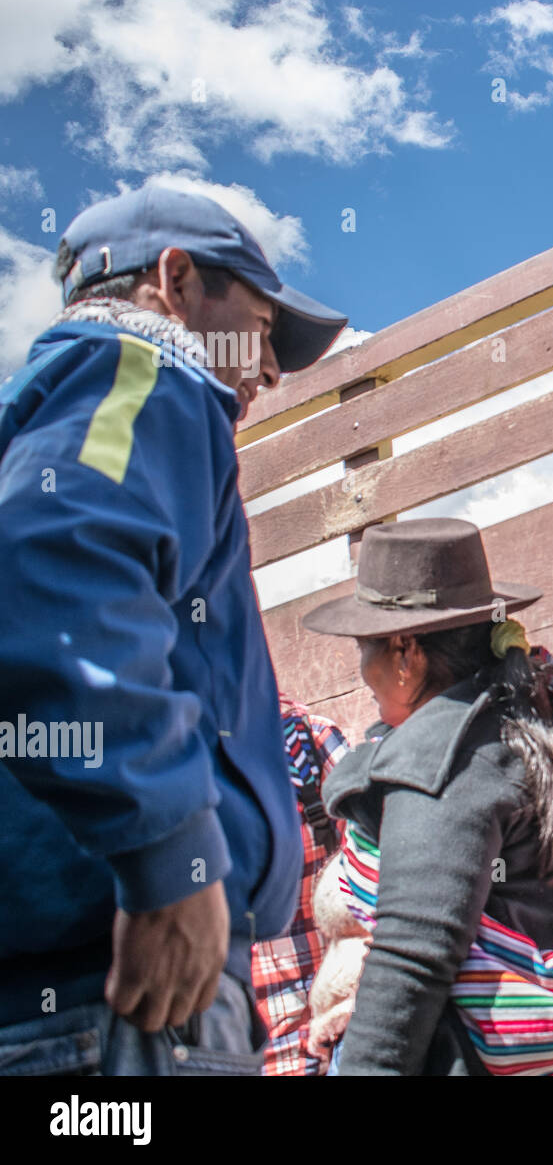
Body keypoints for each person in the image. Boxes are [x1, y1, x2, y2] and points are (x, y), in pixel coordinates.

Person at [0, 185, 347, 1076]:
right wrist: (171, 854)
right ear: (176, 279)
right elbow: (53, 560)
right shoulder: (141, 371)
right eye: (264, 328)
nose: (269, 370)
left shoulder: (68, 405)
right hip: (119, 993)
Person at [303, 518, 553, 1076]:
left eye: (363, 649)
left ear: (404, 652)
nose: (362, 672)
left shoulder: (443, 760)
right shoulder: (520, 722)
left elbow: (413, 956)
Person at [251, 695, 354, 1076]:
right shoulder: (164, 766)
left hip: (338, 1043)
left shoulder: (305, 742)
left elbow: (392, 876)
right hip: (250, 1058)